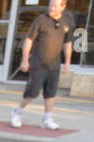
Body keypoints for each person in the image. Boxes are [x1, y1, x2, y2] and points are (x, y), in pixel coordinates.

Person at [10, 0, 71, 130]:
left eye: (55, 5)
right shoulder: (40, 20)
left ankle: (47, 118)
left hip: (54, 65)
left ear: (63, 7)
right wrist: (25, 59)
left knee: (50, 93)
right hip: (38, 63)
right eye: (50, 4)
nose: (52, 7)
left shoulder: (66, 23)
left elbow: (67, 43)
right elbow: (29, 40)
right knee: (32, 92)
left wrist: (67, 62)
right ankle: (17, 112)